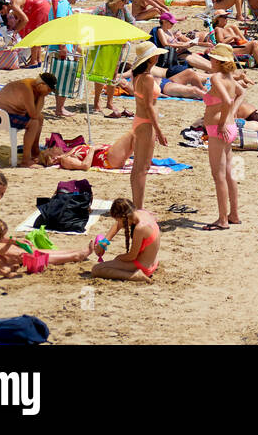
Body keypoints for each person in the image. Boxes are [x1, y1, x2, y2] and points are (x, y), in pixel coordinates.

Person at [201, 44, 246, 230]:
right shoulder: (229, 77)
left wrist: (221, 122)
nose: (210, 60)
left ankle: (222, 219)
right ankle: (234, 214)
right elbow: (241, 93)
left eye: (212, 58)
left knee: (218, 175)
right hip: (230, 126)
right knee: (230, 173)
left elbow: (227, 100)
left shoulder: (217, 77)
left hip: (218, 129)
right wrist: (232, 114)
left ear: (218, 61)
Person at [0, 217, 91, 279]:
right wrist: (11, 242)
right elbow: (2, 249)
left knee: (31, 251)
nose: (3, 237)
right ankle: (74, 256)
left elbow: (4, 240)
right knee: (28, 256)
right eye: (1, 235)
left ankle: (75, 252)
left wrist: (16, 241)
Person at [126, 44, 168, 209]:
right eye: (155, 55)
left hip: (140, 121)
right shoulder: (147, 78)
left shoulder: (138, 76)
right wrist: (159, 130)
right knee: (142, 168)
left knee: (138, 167)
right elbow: (150, 107)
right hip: (146, 123)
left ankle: (137, 205)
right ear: (151, 58)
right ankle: (139, 208)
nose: (157, 57)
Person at [0, 73, 57, 168]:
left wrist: (41, 96)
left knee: (40, 118)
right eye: (49, 90)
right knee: (33, 123)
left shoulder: (34, 87)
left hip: (9, 114)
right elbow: (33, 114)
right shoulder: (26, 87)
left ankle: (34, 150)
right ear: (41, 85)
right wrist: (42, 97)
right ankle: (25, 160)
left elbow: (36, 114)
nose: (48, 93)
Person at [93, 197, 161, 281]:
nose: (118, 222)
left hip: (144, 267)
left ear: (124, 218)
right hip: (153, 261)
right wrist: (105, 241)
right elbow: (117, 225)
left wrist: (118, 259)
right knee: (112, 264)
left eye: (118, 219)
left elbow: (132, 256)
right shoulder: (141, 213)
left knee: (97, 269)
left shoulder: (140, 228)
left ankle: (135, 276)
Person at [36, 129, 134, 171]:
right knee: (134, 133)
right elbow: (85, 166)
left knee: (138, 135)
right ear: (53, 158)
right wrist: (92, 149)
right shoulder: (65, 160)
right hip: (108, 159)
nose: (55, 147)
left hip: (109, 155)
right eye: (52, 149)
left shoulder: (68, 154)